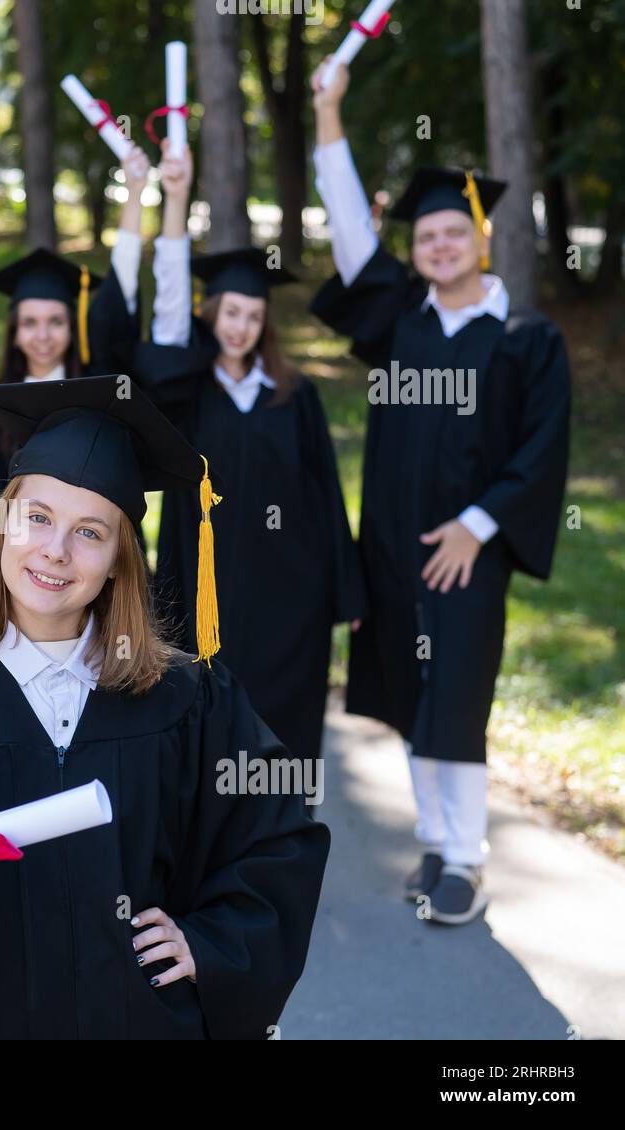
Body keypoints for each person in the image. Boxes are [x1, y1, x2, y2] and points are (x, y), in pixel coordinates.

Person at [0, 374, 330, 1039]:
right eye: (38, 518)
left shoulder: (190, 700)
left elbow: (277, 835)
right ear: (1, 527)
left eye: (89, 532)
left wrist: (217, 943)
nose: (56, 549)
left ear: (117, 563)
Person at [310, 60, 571, 924]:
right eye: (426, 238)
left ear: (482, 240)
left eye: (455, 235)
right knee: (411, 693)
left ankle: (465, 856)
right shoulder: (400, 319)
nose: (439, 247)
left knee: (457, 694)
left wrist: (477, 525)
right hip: (394, 545)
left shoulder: (527, 339)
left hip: (468, 550)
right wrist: (330, 117)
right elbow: (350, 231)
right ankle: (433, 837)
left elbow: (542, 451)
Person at [128, 140, 365, 763]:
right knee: (206, 733)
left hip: (291, 595)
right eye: (230, 312)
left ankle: (282, 842)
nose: (240, 327)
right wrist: (174, 199)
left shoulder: (294, 395)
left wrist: (347, 595)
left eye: (254, 316)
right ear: (212, 313)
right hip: (205, 591)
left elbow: (325, 492)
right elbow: (164, 330)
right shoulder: (186, 392)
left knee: (284, 734)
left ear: (266, 323)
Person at [0, 145, 152, 487]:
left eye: (56, 321)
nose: (43, 335)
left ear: (73, 328)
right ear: (13, 332)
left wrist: (134, 192)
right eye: (30, 323)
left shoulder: (99, 396)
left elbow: (120, 293)